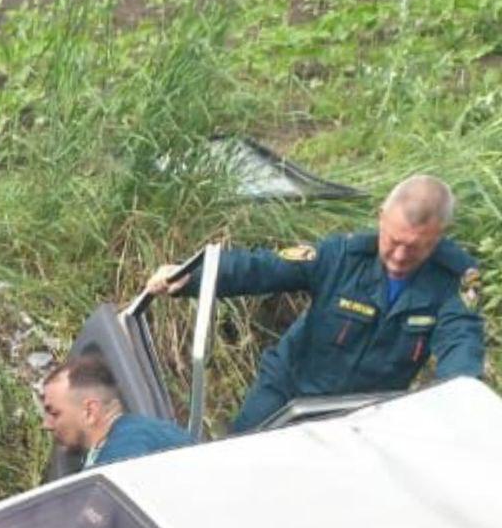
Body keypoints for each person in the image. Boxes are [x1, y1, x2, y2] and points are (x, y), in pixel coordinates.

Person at [146, 174, 485, 433]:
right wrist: (191, 276)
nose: (398, 256)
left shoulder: (454, 279)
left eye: (414, 249)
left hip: (360, 414)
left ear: (438, 236)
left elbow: (461, 344)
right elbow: (263, 269)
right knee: (234, 463)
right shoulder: (341, 256)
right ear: (381, 217)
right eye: (393, 241)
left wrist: (458, 399)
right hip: (287, 391)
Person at [41, 349, 191, 466]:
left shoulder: (120, 458)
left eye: (54, 413)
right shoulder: (142, 432)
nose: (46, 425)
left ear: (90, 412)